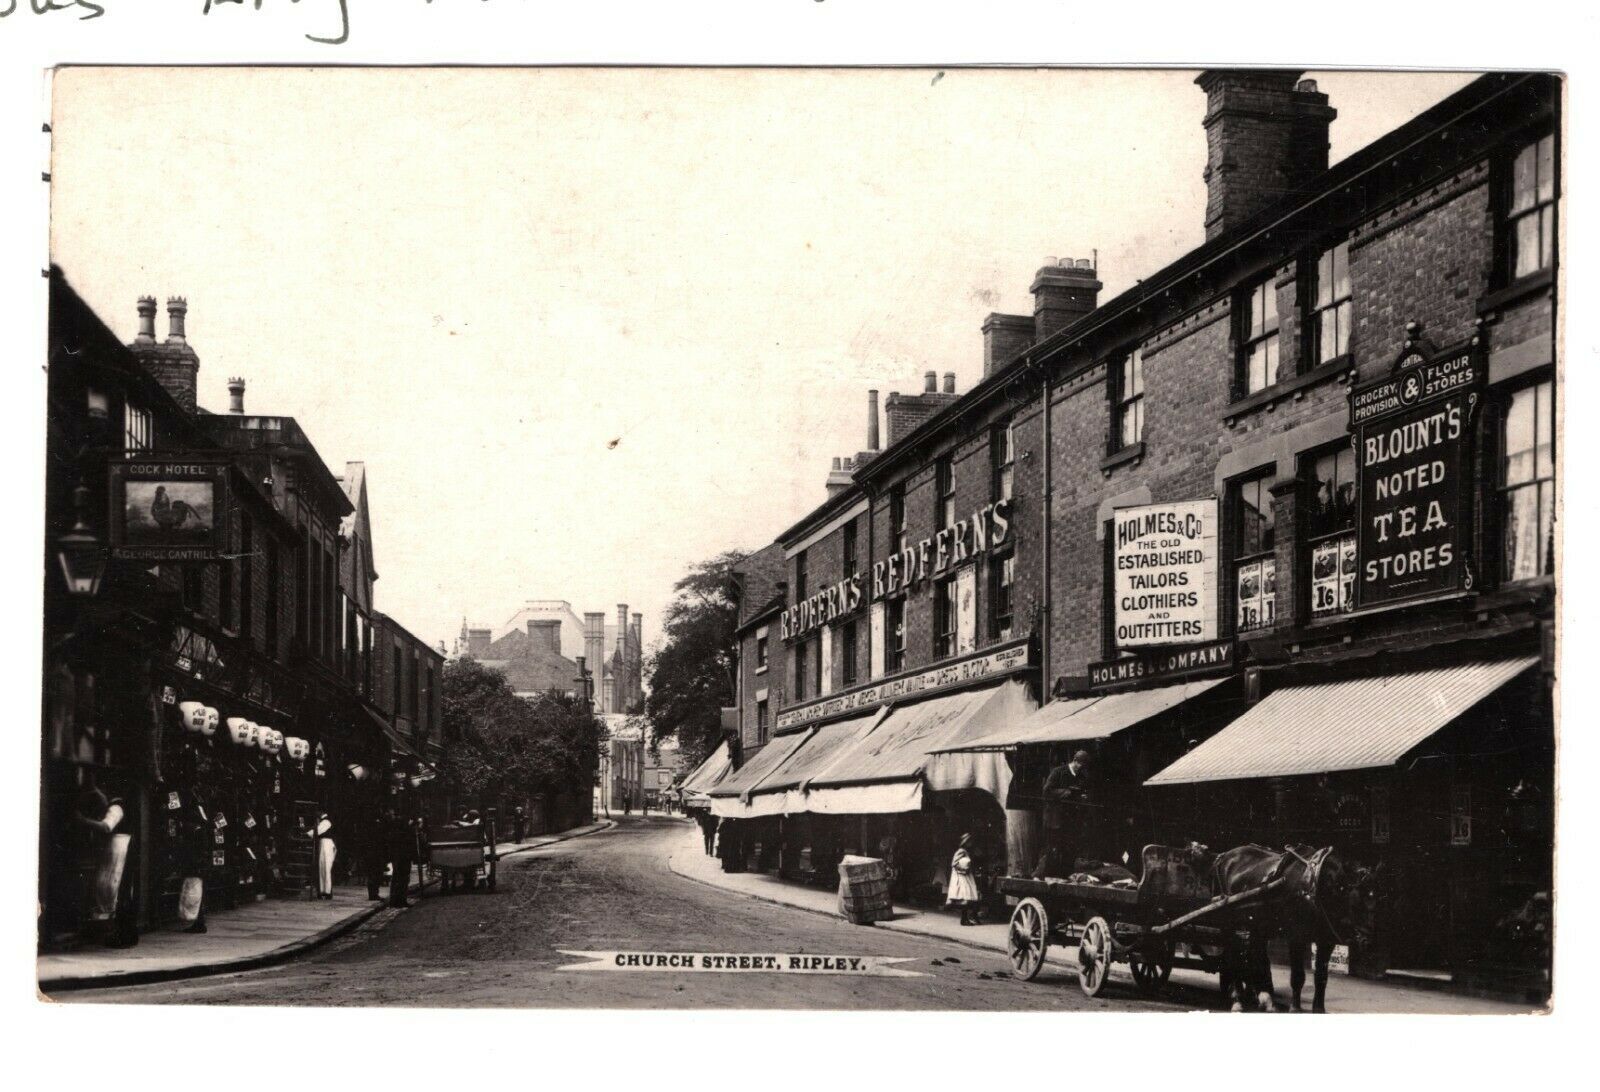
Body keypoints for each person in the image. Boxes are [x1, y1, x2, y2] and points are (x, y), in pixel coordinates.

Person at [1034, 749, 1093, 879]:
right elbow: (1047, 792)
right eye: (1080, 766)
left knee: (1069, 852)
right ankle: (1048, 878)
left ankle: (1065, 878)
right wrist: (1067, 793)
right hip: (1055, 821)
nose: (1081, 769)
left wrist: (1082, 797)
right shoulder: (1058, 772)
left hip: (1071, 822)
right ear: (1075, 761)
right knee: (1053, 851)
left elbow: (1082, 793)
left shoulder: (1081, 776)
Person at [947, 834, 982, 925]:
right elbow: (954, 863)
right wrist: (963, 869)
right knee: (966, 897)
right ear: (965, 843)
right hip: (962, 876)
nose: (970, 843)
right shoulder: (961, 851)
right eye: (969, 842)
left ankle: (966, 919)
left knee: (968, 897)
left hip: (967, 875)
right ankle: (964, 919)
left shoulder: (966, 851)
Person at [386, 809, 417, 908]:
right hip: (403, 855)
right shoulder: (405, 827)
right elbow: (410, 841)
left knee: (397, 878)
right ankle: (400, 900)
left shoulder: (393, 828)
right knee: (403, 878)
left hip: (397, 855)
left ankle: (395, 900)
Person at [366, 808, 390, 901]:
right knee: (374, 874)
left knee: (376, 874)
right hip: (375, 852)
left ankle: (374, 893)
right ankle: (373, 893)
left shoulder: (374, 826)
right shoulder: (377, 827)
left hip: (375, 852)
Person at [314, 811, 337, 899]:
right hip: (324, 844)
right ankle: (324, 891)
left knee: (326, 868)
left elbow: (317, 831)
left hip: (326, 844)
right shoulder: (325, 822)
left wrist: (307, 833)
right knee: (323, 868)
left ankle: (326, 891)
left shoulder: (326, 822)